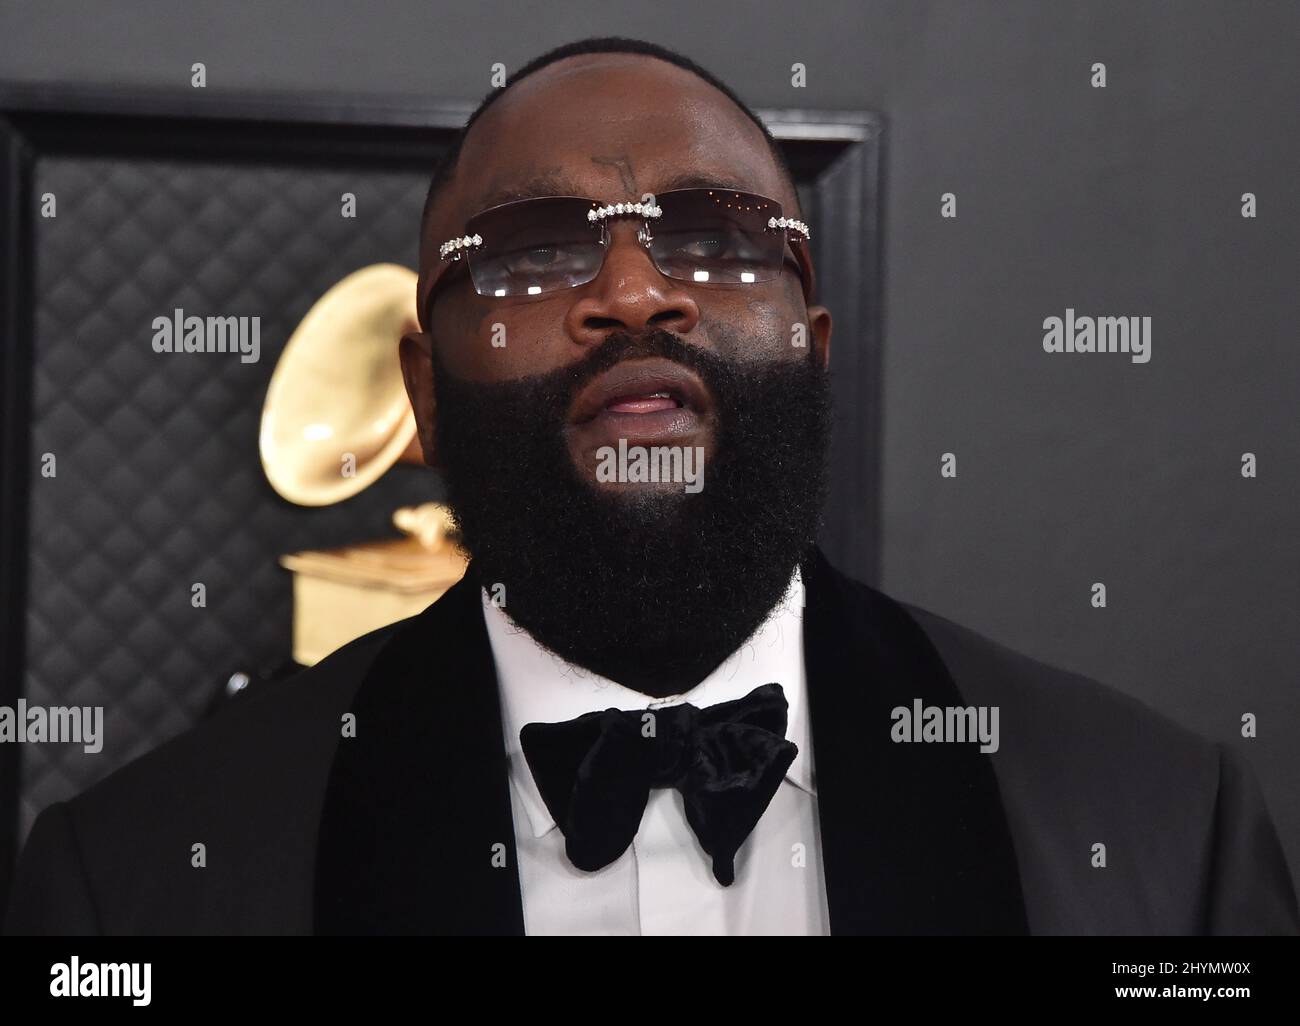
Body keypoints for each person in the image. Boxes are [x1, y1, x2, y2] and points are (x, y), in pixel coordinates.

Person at [4, 36, 1296, 936]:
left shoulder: (1164, 831)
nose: (631, 291)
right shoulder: (134, 878)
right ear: (427, 387)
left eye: (719, 237)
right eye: (528, 252)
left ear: (815, 349)